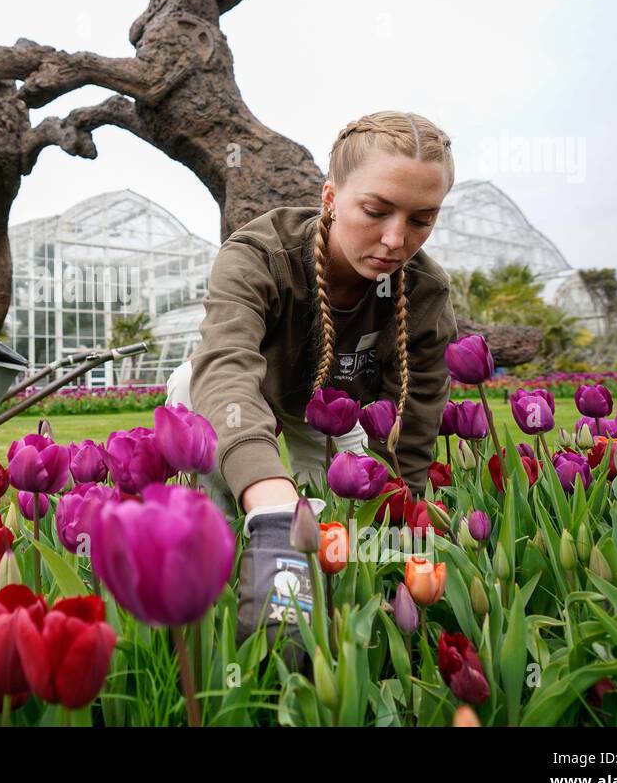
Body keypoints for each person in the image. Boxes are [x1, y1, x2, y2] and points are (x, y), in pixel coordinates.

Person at [164, 110, 457, 652]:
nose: (395, 239)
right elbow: (224, 364)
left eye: (421, 219)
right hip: (253, 400)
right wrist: (272, 505)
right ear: (330, 197)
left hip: (337, 419)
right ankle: (219, 555)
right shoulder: (261, 255)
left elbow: (413, 419)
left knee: (334, 519)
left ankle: (346, 629)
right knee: (188, 385)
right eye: (375, 210)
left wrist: (404, 523)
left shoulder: (425, 292)